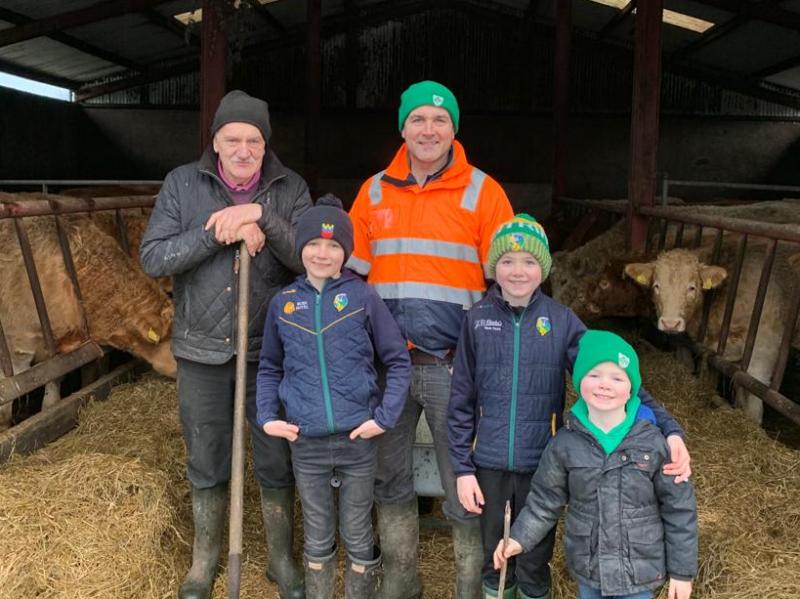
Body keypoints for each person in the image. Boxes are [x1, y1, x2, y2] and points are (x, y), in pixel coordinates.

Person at [447, 214, 693, 599]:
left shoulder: (560, 321)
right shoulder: (476, 320)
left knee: (534, 554)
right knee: (491, 554)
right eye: (507, 261)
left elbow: (615, 376)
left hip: (543, 460)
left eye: (529, 262)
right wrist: (462, 467)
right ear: (494, 266)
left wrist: (670, 428)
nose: (517, 271)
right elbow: (460, 399)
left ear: (543, 268)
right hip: (487, 461)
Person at [347, 80, 516, 598]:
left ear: (454, 129)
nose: (429, 129)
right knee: (389, 480)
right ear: (402, 127)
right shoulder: (373, 192)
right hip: (389, 368)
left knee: (463, 483)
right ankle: (402, 584)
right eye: (418, 119)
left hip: (454, 366)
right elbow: (351, 279)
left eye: (440, 120)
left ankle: (469, 587)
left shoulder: (484, 192)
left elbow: (510, 277)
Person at [140, 89, 311, 599]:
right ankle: (204, 560)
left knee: (277, 456)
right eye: (232, 138)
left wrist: (261, 216)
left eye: (253, 140)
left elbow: (310, 256)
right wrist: (218, 233)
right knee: (207, 457)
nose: (242, 149)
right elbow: (153, 258)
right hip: (201, 349)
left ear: (265, 145)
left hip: (273, 352)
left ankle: (281, 559)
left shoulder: (289, 187)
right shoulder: (182, 185)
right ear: (215, 141)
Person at [256, 194, 411, 598]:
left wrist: (384, 416)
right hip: (305, 443)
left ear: (345, 251)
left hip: (356, 440)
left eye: (333, 245)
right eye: (313, 244)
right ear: (300, 248)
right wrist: (267, 415)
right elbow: (270, 366)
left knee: (358, 531)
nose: (322, 253)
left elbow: (397, 360)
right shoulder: (284, 304)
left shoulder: (362, 298)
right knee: (318, 531)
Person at [492, 330, 698, 599]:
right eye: (594, 375)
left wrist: (682, 573)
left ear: (631, 389)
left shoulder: (654, 443)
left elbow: (679, 509)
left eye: (616, 377)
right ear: (579, 382)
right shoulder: (565, 443)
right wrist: (519, 538)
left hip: (639, 569)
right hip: (590, 567)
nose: (604, 384)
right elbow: (545, 500)